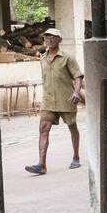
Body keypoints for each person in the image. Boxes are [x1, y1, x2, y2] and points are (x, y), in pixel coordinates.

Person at [26, 28, 83, 175]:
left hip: (67, 99)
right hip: (48, 100)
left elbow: (78, 76)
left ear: (59, 40)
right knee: (43, 129)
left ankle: (76, 157)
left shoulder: (67, 58)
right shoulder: (43, 59)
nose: (49, 39)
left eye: (53, 37)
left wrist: (76, 92)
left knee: (72, 126)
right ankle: (41, 164)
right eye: (47, 37)